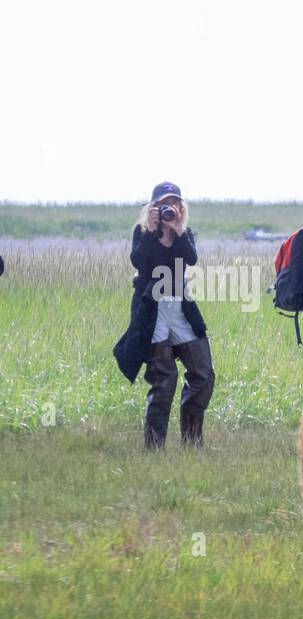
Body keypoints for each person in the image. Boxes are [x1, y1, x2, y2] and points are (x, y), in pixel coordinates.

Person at [113, 182, 215, 449]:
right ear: (153, 207)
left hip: (180, 307)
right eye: (163, 204)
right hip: (152, 309)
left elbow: (191, 259)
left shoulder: (185, 233)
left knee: (204, 374)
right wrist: (150, 231)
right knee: (163, 380)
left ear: (181, 207)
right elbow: (138, 262)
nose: (169, 209)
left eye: (174, 204)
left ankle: (192, 442)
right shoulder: (142, 232)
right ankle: (154, 446)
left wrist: (178, 230)